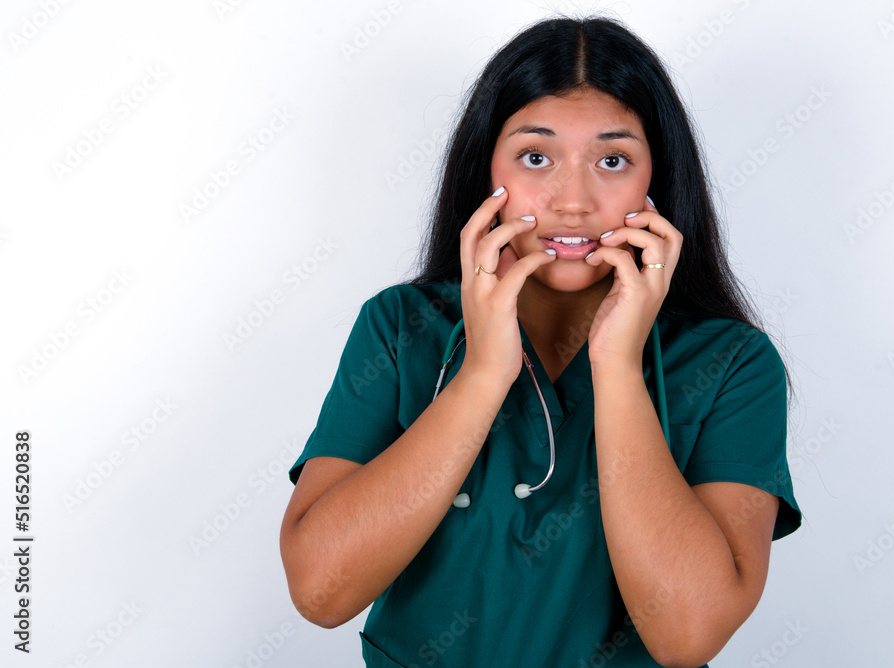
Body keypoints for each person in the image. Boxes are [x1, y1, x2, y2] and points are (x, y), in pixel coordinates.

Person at [280, 14, 802, 668]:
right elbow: (320, 591)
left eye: (613, 161)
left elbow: (687, 636)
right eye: (536, 157)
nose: (573, 201)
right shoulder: (400, 329)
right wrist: (482, 375)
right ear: (484, 171)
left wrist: (615, 367)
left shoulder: (731, 366)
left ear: (656, 180)